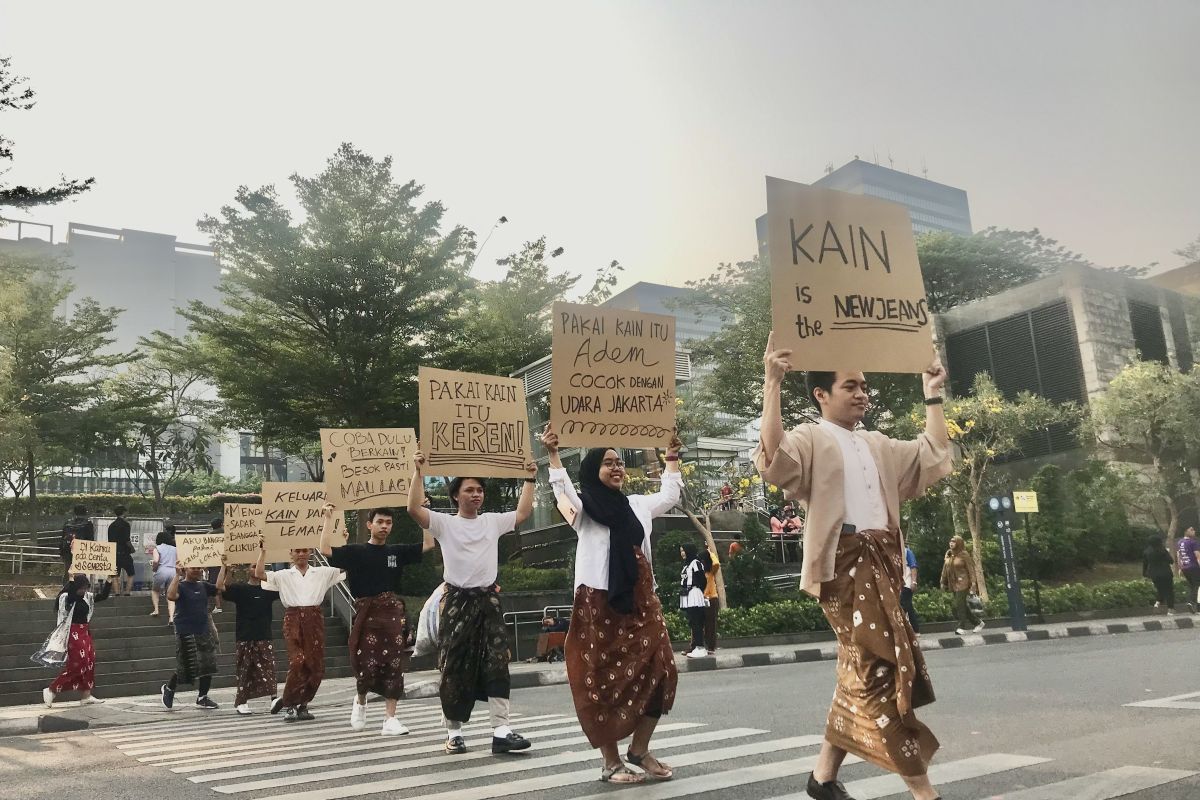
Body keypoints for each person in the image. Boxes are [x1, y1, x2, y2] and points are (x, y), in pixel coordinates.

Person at [755, 331, 952, 800]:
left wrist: (933, 394)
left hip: (885, 562)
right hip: (841, 567)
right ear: (821, 394)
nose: (862, 393)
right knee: (884, 666)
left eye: (864, 386)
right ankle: (925, 793)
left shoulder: (879, 443)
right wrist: (772, 384)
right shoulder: (809, 438)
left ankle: (822, 778)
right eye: (850, 386)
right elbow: (774, 463)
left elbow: (933, 455)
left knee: (862, 665)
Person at [543, 424, 681, 784]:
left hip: (641, 601)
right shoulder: (584, 509)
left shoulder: (637, 505)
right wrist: (554, 454)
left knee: (663, 669)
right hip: (598, 603)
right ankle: (611, 762)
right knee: (603, 681)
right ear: (593, 471)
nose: (616, 468)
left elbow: (669, 494)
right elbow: (562, 488)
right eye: (607, 463)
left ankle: (640, 749)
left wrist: (671, 456)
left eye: (619, 462)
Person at [406, 451, 537, 756]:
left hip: (488, 603)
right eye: (469, 490)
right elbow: (413, 509)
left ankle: (502, 731)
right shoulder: (443, 524)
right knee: (454, 666)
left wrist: (530, 477)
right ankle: (454, 733)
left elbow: (522, 514)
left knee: (498, 663)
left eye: (479, 490)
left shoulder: (492, 522)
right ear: (455, 496)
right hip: (456, 603)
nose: (476, 494)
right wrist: (419, 472)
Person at [319, 504, 433, 736]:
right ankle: (361, 701)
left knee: (394, 665)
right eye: (380, 522)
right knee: (365, 665)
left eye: (388, 523)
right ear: (369, 524)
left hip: (391, 615)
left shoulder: (397, 552)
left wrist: (425, 515)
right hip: (366, 616)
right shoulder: (356, 551)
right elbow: (325, 549)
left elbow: (429, 544)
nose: (384, 526)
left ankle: (390, 719)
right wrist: (328, 518)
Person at [254, 540, 344, 722]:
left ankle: (302, 705)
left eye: (304, 550)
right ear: (291, 554)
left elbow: (344, 567)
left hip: (314, 618)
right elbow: (259, 574)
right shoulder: (283, 574)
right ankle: (289, 703)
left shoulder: (321, 572)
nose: (301, 554)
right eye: (297, 551)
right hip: (293, 617)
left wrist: (341, 543)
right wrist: (263, 552)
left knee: (315, 666)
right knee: (297, 662)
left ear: (310, 552)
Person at [217, 540, 280, 715]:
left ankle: (274, 698)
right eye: (253, 566)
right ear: (248, 570)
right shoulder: (240, 589)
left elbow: (287, 585)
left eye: (260, 565)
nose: (257, 568)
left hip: (264, 634)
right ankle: (241, 701)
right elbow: (221, 587)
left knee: (269, 667)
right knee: (244, 669)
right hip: (244, 635)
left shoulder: (269, 589)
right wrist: (225, 567)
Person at [41, 575, 111, 707]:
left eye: (85, 588)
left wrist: (109, 581)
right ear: (75, 587)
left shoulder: (86, 597)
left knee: (90, 661)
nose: (84, 591)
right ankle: (52, 689)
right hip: (72, 632)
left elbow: (103, 597)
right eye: (82, 588)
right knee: (79, 663)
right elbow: (72, 597)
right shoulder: (66, 597)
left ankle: (86, 695)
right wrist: (72, 579)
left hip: (85, 631)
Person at [161, 563, 220, 710]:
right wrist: (176, 575)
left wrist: (225, 567)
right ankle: (169, 689)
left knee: (208, 664)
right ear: (186, 569)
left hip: (203, 630)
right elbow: (170, 595)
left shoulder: (204, 586)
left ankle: (202, 697)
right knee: (185, 666)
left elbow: (219, 588)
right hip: (185, 631)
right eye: (193, 568)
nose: (197, 570)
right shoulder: (181, 586)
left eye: (199, 568)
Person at [940, 536, 983, 635]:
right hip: (953, 583)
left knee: (958, 604)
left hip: (963, 582)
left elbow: (971, 569)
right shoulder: (949, 554)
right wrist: (942, 582)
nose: (951, 543)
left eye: (954, 542)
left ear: (959, 543)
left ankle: (961, 627)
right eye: (950, 541)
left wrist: (973, 582)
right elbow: (945, 569)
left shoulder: (964, 555)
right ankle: (978, 623)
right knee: (961, 605)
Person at [680, 543, 708, 658]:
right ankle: (696, 646)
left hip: (695, 594)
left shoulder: (695, 563)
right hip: (688, 595)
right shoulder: (686, 565)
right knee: (692, 622)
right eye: (681, 551)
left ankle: (700, 647)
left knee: (697, 621)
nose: (682, 553)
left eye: (683, 550)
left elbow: (702, 580)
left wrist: (697, 590)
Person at [1143, 534, 1176, 615]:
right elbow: (1171, 561)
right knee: (1169, 591)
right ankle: (1170, 609)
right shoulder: (1162, 550)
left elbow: (1145, 564)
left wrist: (1144, 574)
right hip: (1165, 573)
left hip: (1154, 574)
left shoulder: (1146, 552)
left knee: (1160, 589)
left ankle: (1157, 603)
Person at [59, 505, 94, 580]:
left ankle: (67, 587)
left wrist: (61, 552)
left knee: (68, 569)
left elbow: (62, 538)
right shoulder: (88, 523)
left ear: (74, 513)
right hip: (81, 550)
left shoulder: (67, 523)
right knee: (81, 570)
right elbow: (90, 539)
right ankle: (79, 587)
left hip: (67, 549)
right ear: (85, 513)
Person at [149, 528, 178, 622]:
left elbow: (156, 561)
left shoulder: (157, 548)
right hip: (173, 571)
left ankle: (156, 610)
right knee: (170, 594)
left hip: (162, 570)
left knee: (155, 590)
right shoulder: (175, 549)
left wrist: (154, 568)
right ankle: (171, 617)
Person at [108, 506, 135, 596]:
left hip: (114, 553)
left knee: (115, 575)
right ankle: (127, 592)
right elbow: (127, 540)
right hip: (124, 553)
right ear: (124, 512)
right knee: (131, 573)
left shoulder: (111, 525)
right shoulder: (126, 524)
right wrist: (132, 548)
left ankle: (117, 592)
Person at [1176, 527, 1200, 613]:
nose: (1194, 531)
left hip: (1185, 568)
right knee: (1196, 585)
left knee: (1192, 586)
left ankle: (1192, 604)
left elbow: (1179, 556)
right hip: (1194, 567)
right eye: (1191, 530)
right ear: (1185, 531)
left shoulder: (1179, 542)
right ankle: (1192, 602)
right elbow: (1198, 556)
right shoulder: (1193, 542)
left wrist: (1180, 568)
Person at [702, 546, 721, 653]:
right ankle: (704, 645)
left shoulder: (711, 572)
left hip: (712, 599)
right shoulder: (701, 572)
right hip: (702, 600)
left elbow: (716, 563)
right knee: (703, 624)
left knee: (711, 624)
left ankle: (711, 646)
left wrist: (710, 553)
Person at [901, 544, 922, 633]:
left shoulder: (907, 552)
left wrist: (914, 581)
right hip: (899, 583)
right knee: (908, 606)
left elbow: (913, 567)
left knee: (903, 604)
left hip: (907, 582)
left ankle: (912, 629)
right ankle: (914, 629)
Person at [208, 517, 225, 614]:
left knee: (214, 583)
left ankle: (218, 605)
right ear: (222, 524)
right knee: (224, 582)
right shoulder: (227, 534)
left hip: (213, 562)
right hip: (226, 561)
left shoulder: (209, 535)